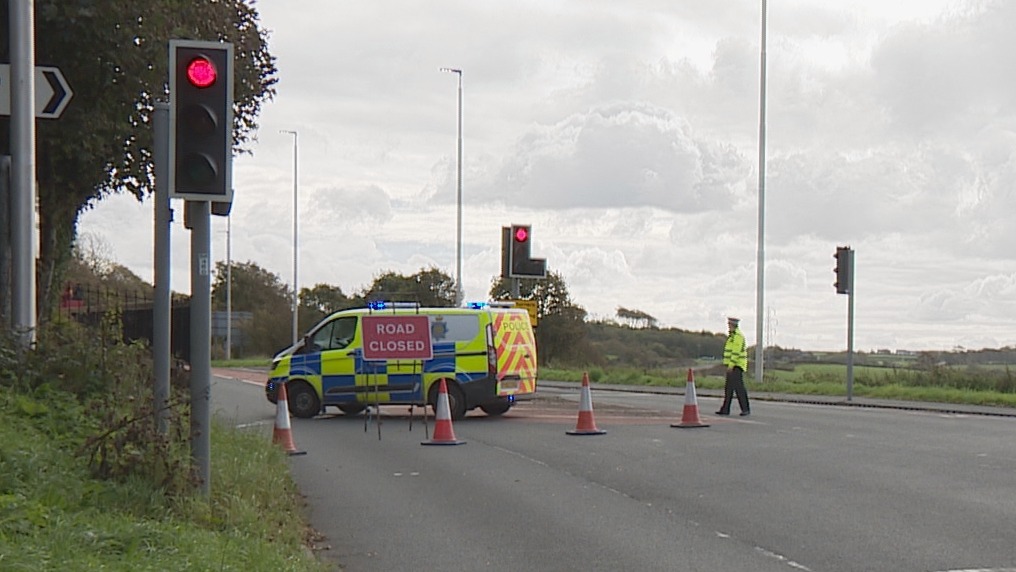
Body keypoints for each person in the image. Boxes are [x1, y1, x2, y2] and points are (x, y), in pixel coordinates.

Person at [716, 316, 750, 416]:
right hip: (732, 365)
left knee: (739, 388)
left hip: (737, 365)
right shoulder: (732, 336)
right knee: (729, 388)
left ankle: (745, 409)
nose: (728, 326)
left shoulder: (737, 336)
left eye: (729, 325)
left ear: (733, 325)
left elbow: (736, 352)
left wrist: (731, 365)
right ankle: (725, 409)